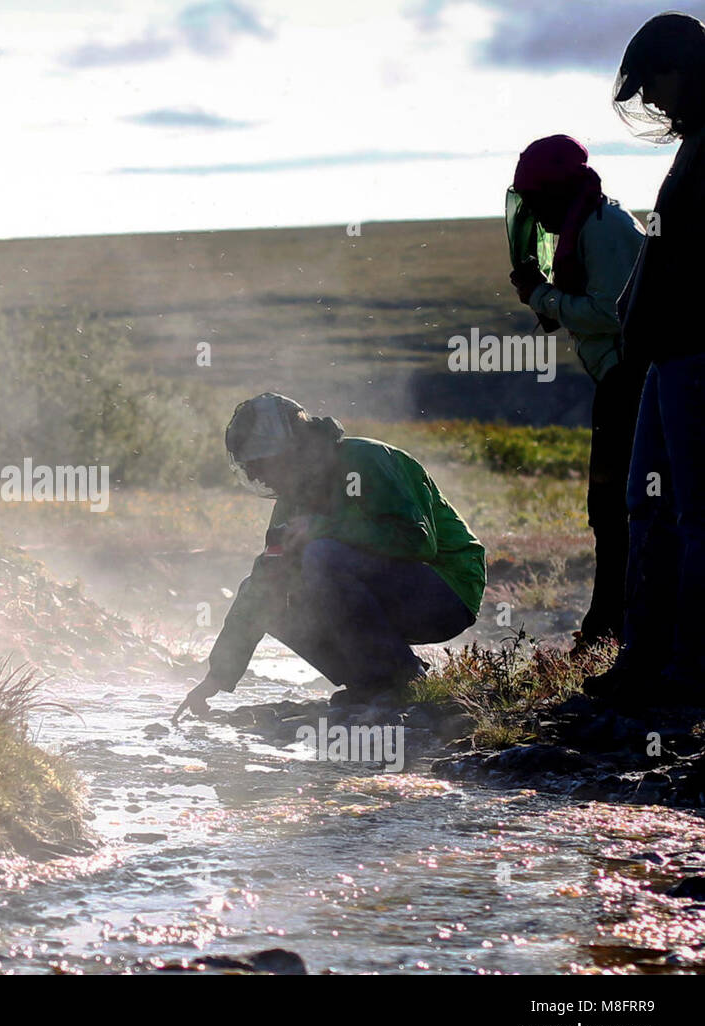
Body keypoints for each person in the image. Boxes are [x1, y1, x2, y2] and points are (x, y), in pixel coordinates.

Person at [176, 394, 485, 719]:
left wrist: (323, 528)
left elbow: (417, 541)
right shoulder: (291, 500)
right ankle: (370, 685)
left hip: (447, 591)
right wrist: (216, 677)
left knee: (322, 554)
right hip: (386, 596)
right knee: (270, 594)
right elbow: (262, 584)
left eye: (263, 466)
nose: (260, 479)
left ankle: (401, 680)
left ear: (290, 451)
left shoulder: (365, 459)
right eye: (252, 470)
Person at [585, 12, 705, 706]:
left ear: (681, 68)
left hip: (693, 355)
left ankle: (685, 669)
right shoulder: (693, 151)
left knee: (691, 516)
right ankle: (646, 658)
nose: (653, 102)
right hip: (668, 358)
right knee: (649, 511)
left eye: (656, 83)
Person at [508, 135, 647, 648]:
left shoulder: (603, 228)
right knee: (611, 511)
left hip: (630, 381)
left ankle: (615, 629)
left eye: (538, 200)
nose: (534, 213)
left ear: (558, 193)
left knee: (618, 512)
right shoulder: (589, 222)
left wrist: (541, 295)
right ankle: (615, 625)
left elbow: (611, 312)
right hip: (621, 380)